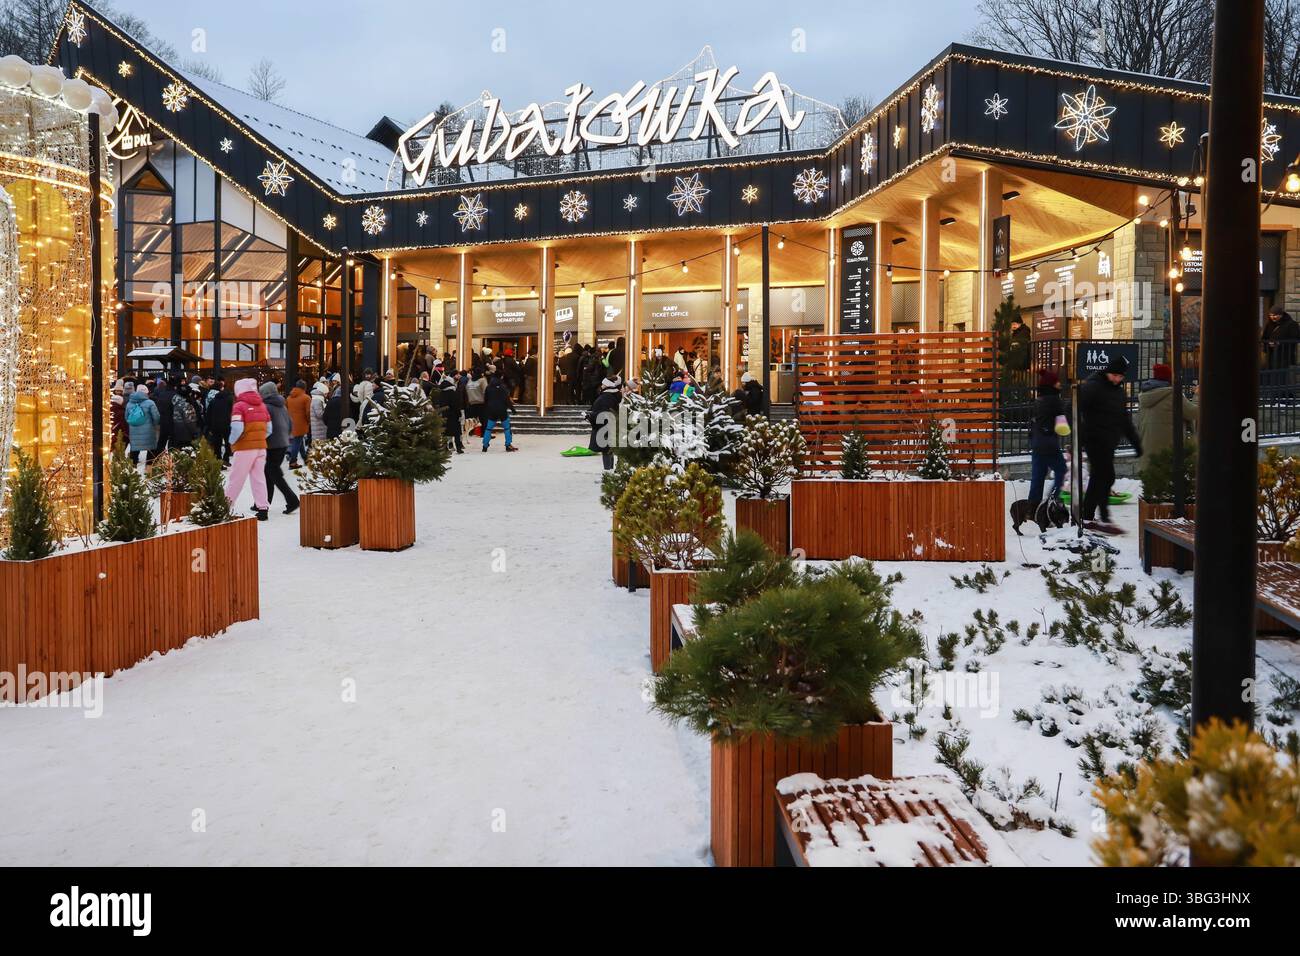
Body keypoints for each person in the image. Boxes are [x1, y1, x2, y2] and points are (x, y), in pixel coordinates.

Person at [1078, 354, 1141, 535]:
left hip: (1109, 441)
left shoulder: (1119, 392)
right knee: (1106, 477)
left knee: (1100, 478)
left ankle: (1088, 517)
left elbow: (1124, 420)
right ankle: (1103, 517)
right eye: (1115, 375)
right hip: (1094, 439)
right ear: (1108, 372)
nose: (1117, 379)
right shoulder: (1093, 387)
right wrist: (1074, 431)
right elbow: (1073, 406)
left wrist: (1135, 442)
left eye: (1120, 376)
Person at [225, 379, 272, 521]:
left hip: (244, 448)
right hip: (261, 447)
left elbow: (237, 428)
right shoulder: (263, 406)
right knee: (259, 478)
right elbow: (269, 429)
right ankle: (263, 509)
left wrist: (231, 441)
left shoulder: (239, 406)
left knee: (236, 478)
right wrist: (259, 438)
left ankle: (224, 507)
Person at [1026, 369, 1070, 515]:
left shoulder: (1038, 400)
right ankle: (1052, 500)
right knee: (1062, 471)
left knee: (1038, 475)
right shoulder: (1054, 400)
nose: (1059, 383)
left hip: (1037, 443)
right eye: (1057, 381)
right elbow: (1062, 427)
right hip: (1049, 444)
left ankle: (1032, 508)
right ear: (1052, 384)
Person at [1137, 363, 1198, 459]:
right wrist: (1197, 396)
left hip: (1147, 449)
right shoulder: (1172, 395)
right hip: (1167, 449)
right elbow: (1194, 413)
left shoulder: (1145, 395)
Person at [259, 382, 300, 515]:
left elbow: (264, 427)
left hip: (271, 444)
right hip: (282, 443)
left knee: (274, 474)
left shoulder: (265, 407)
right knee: (269, 473)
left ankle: (292, 500)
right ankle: (264, 503)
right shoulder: (281, 405)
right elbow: (290, 423)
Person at [588, 375, 623, 469]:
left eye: (603, 384)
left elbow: (603, 413)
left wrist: (590, 416)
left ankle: (608, 472)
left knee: (606, 451)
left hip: (605, 427)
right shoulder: (613, 395)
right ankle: (610, 471)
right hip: (611, 426)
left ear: (608, 385)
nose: (602, 385)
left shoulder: (606, 397)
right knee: (609, 450)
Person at [125, 383, 160, 465]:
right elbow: (156, 417)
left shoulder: (129, 403)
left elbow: (127, 417)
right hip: (149, 431)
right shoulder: (150, 403)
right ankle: (149, 468)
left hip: (134, 431)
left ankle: (131, 468)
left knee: (135, 449)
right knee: (151, 449)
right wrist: (154, 424)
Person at [481, 373, 518, 452]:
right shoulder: (503, 387)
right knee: (507, 428)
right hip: (502, 410)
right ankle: (508, 445)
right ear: (501, 377)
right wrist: (512, 409)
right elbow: (507, 400)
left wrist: (487, 408)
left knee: (488, 428)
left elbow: (486, 399)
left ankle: (485, 446)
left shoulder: (488, 387)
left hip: (492, 410)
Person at [205, 377, 234, 464]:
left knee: (217, 444)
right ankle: (226, 458)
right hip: (227, 424)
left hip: (215, 425)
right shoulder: (229, 399)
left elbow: (208, 414)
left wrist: (209, 426)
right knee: (228, 442)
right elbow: (232, 412)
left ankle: (218, 460)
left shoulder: (213, 401)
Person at [1262, 306, 1299, 372]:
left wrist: (1279, 343)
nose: (1272, 317)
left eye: (1275, 315)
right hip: (1271, 355)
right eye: (1270, 315)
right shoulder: (1270, 324)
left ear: (1281, 315)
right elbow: (1264, 338)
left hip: (1284, 356)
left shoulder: (1292, 324)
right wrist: (1268, 343)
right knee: (1271, 376)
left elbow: (1296, 338)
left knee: (1282, 377)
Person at [286, 379, 312, 468]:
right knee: (297, 442)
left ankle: (305, 458)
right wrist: (309, 421)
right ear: (305, 387)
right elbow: (308, 412)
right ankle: (293, 461)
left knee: (299, 441)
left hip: (291, 423)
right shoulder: (306, 398)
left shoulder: (289, 398)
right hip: (301, 423)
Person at [170, 379, 203, 449]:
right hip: (186, 435)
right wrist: (196, 433)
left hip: (175, 433)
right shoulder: (186, 405)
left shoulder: (174, 401)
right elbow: (190, 422)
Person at [438, 371, 464, 454]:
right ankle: (459, 448)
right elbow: (456, 404)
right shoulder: (452, 392)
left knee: (445, 432)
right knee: (457, 432)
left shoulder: (441, 392)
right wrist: (459, 414)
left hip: (444, 414)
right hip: (453, 415)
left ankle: (445, 448)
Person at [309, 380, 329, 445]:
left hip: (318, 428)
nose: (326, 395)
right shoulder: (318, 401)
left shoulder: (316, 399)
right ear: (322, 392)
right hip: (319, 429)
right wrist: (326, 409)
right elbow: (319, 414)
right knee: (318, 446)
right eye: (325, 393)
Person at [110, 380, 126, 450]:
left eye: (120, 391)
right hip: (118, 432)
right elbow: (123, 423)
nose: (119, 392)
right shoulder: (122, 411)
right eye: (117, 391)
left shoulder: (108, 409)